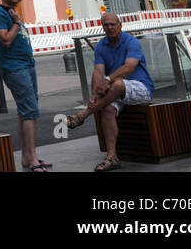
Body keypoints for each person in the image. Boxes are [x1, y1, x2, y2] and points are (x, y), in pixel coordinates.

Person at [66, 12, 154, 171]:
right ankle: (112, 157)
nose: (110, 27)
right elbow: (98, 72)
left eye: (113, 24)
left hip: (141, 88)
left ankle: (83, 115)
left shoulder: (131, 42)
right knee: (107, 108)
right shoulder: (101, 45)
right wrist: (95, 94)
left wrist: (106, 80)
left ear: (120, 25)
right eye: (106, 25)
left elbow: (129, 67)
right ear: (102, 27)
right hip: (114, 91)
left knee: (118, 84)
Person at [0, 0, 47, 172]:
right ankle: (32, 161)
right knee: (30, 112)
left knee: (26, 112)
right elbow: (4, 40)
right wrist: (16, 22)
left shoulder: (11, 12)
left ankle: (28, 157)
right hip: (15, 68)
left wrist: (16, 20)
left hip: (26, 65)